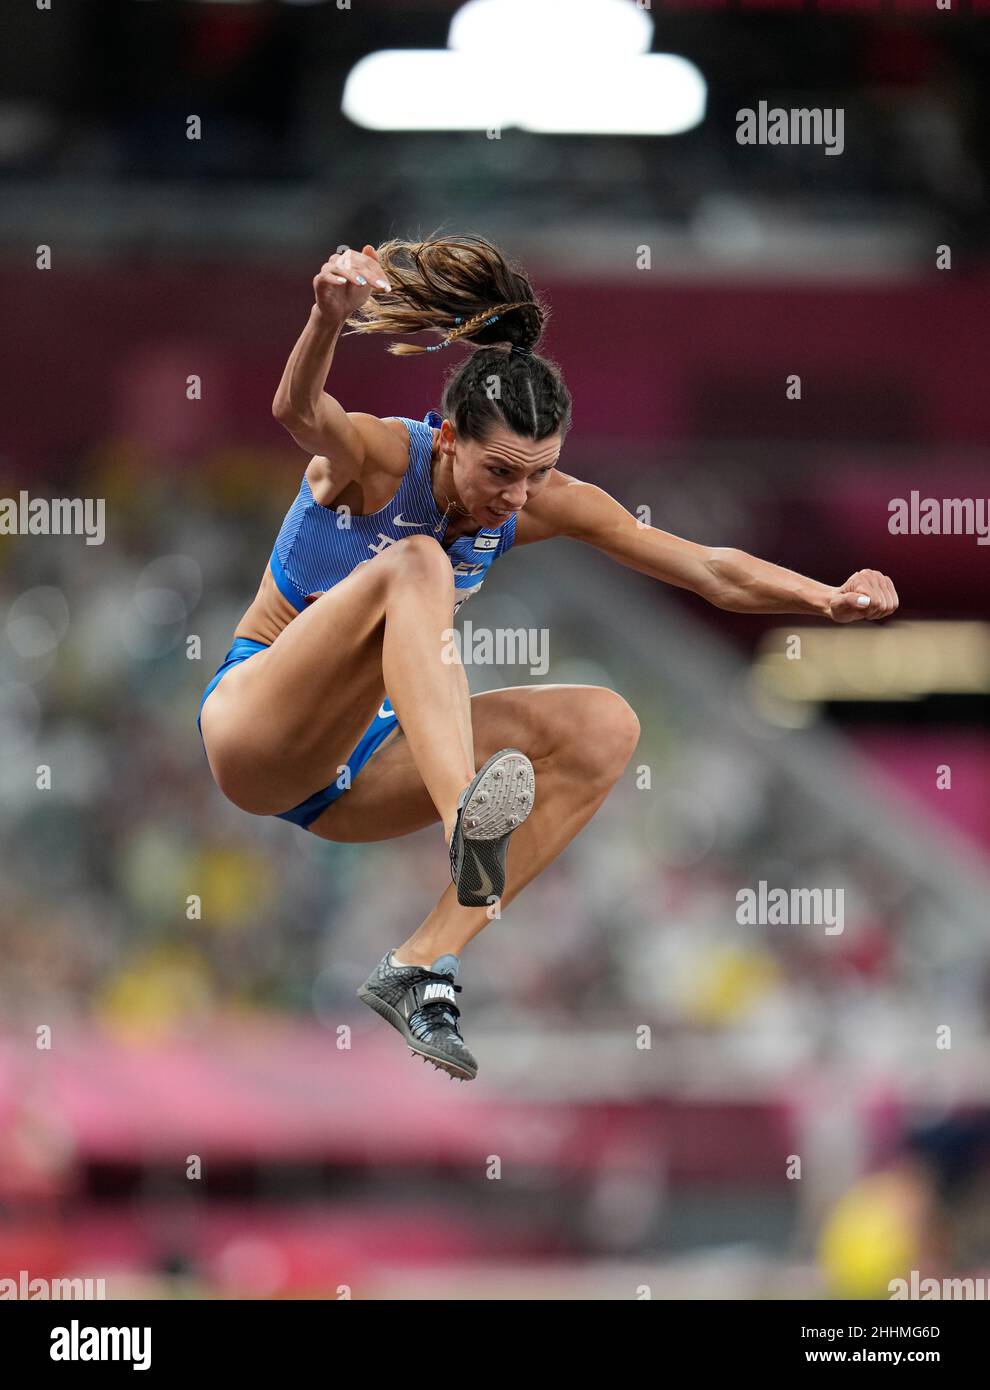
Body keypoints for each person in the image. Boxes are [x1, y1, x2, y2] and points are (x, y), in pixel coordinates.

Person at [197, 234, 899, 1081]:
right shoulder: (381, 461)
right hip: (256, 728)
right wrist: (323, 319)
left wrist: (824, 597)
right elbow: (299, 414)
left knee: (605, 724)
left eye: (539, 473)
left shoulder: (535, 501)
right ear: (449, 436)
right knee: (416, 561)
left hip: (359, 776)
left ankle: (424, 965)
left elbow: (707, 568)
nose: (516, 497)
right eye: (499, 469)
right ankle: (467, 821)